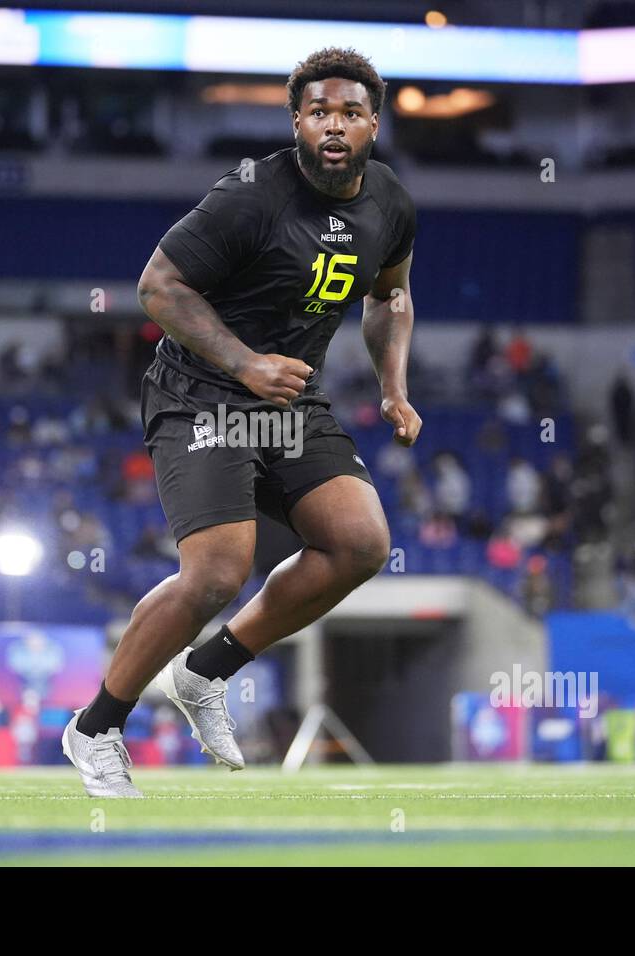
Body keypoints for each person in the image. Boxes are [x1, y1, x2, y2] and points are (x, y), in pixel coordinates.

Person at [63, 47, 419, 797]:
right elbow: (157, 287)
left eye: (350, 112)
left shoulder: (389, 201)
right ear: (297, 121)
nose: (333, 124)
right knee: (218, 571)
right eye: (319, 111)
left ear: (373, 124)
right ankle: (95, 726)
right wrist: (246, 362)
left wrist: (392, 387)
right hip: (201, 394)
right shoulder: (251, 195)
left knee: (360, 543)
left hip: (288, 402)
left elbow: (388, 297)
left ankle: (206, 671)